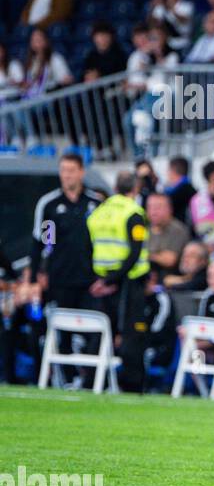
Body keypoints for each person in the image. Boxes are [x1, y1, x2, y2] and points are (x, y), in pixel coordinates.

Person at [86, 170, 149, 393]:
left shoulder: (98, 212)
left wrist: (102, 280)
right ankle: (132, 385)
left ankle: (93, 381)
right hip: (127, 282)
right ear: (136, 189)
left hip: (102, 281)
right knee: (132, 334)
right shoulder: (133, 212)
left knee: (102, 332)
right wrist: (114, 279)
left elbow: (89, 248)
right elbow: (134, 253)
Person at [25, 151, 102, 314]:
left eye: (71, 170)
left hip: (91, 280)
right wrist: (35, 278)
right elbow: (44, 243)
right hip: (60, 280)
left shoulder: (94, 203)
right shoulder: (50, 205)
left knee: (93, 330)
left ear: (81, 172)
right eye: (63, 170)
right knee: (63, 333)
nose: (67, 175)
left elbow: (102, 242)